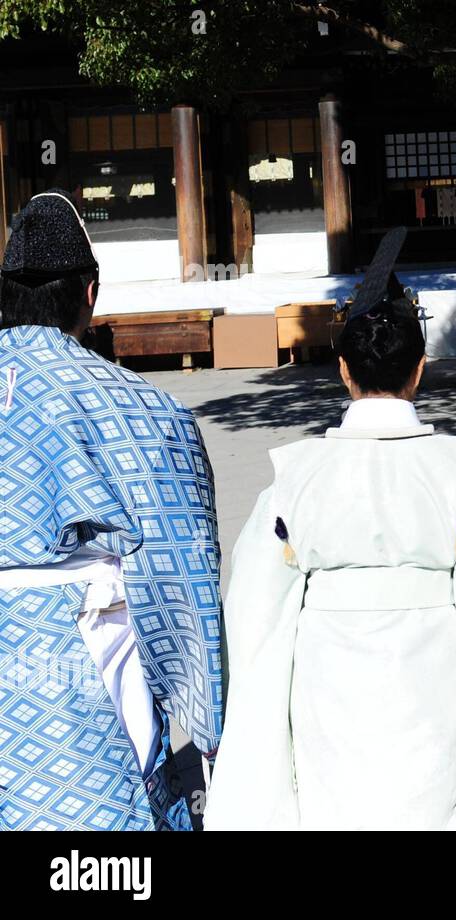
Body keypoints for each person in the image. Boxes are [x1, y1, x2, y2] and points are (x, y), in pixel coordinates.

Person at [204, 228, 456, 830]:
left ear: (343, 371)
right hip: (430, 689)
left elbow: (252, 620)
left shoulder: (294, 484)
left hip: (326, 693)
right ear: (420, 371)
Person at [0, 190, 222, 830]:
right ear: (89, 294)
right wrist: (204, 711)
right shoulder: (142, 408)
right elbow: (184, 567)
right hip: (85, 654)